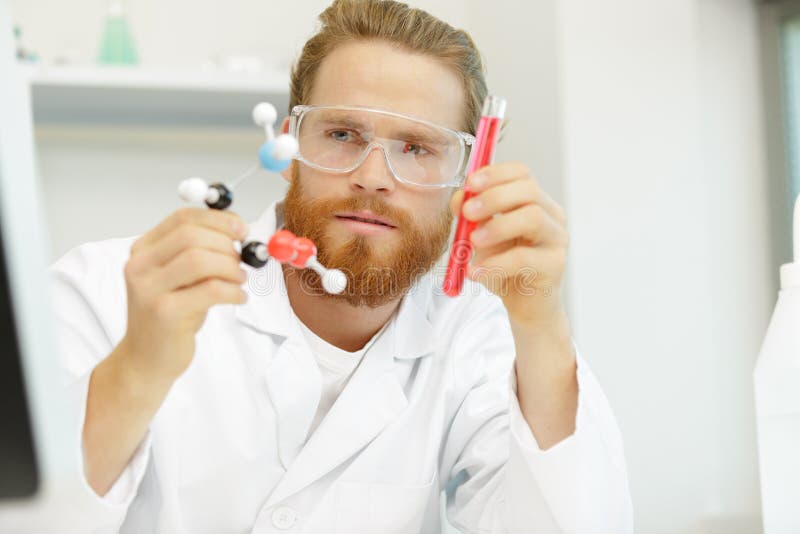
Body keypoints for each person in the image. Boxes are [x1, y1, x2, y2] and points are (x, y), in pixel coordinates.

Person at [51, 1, 633, 532]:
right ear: (288, 148)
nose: (374, 176)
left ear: (466, 172)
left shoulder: (478, 339)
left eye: (417, 147)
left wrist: (542, 325)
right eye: (341, 134)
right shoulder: (106, 291)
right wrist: (137, 368)